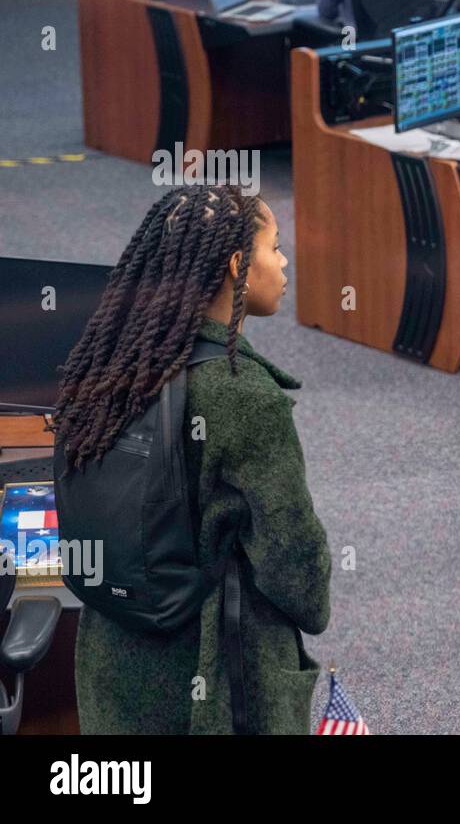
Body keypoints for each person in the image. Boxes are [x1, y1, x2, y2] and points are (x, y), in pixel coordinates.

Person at [57, 186, 331, 734]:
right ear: (236, 267)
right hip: (216, 678)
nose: (283, 262)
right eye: (274, 248)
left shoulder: (109, 365)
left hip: (113, 660)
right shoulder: (245, 397)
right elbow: (295, 570)